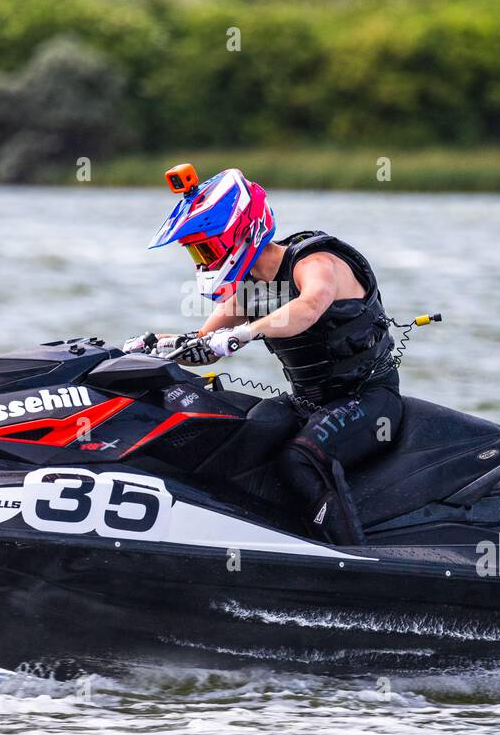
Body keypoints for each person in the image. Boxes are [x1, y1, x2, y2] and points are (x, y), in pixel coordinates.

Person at [124, 164, 401, 545]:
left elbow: (308, 308)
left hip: (368, 400)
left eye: (204, 248)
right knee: (234, 432)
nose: (201, 262)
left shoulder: (316, 263)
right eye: (195, 252)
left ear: (237, 232)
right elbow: (204, 343)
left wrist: (245, 333)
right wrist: (152, 347)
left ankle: (352, 557)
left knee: (299, 458)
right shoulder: (249, 288)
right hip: (308, 403)